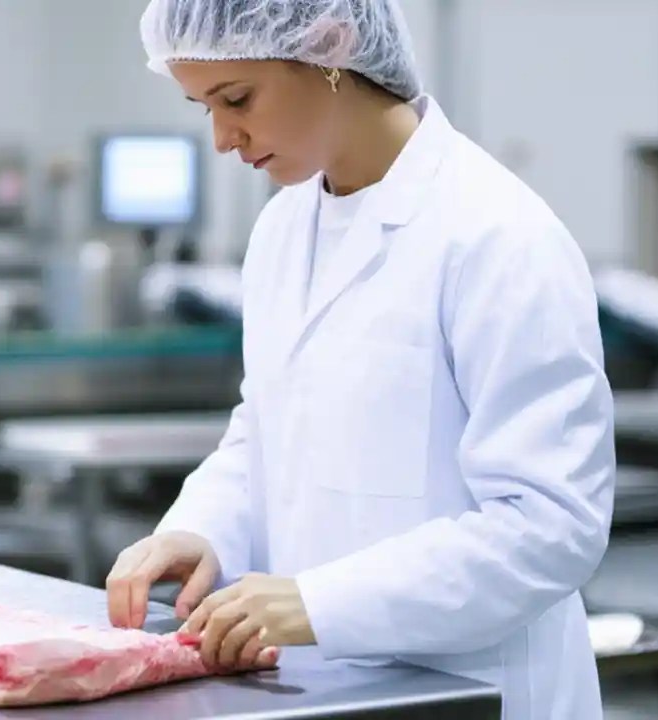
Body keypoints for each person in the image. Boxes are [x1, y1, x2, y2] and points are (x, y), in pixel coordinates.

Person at [106, 1, 616, 717]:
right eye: (203, 108)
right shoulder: (284, 226)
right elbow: (268, 428)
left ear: (330, 48)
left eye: (237, 99)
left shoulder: (498, 235)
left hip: (480, 690)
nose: (223, 138)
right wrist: (201, 529)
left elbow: (550, 525)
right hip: (323, 689)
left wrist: (314, 604)